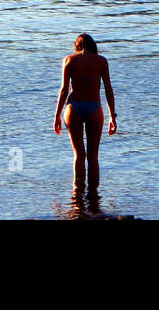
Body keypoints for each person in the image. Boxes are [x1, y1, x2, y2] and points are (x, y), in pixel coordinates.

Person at [52, 34, 117, 196]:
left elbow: (64, 90)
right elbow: (108, 89)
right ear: (93, 46)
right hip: (94, 108)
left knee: (79, 155)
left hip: (73, 108)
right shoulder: (101, 61)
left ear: (76, 47)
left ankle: (77, 197)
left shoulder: (69, 60)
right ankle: (94, 196)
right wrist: (112, 116)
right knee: (93, 156)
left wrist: (57, 116)